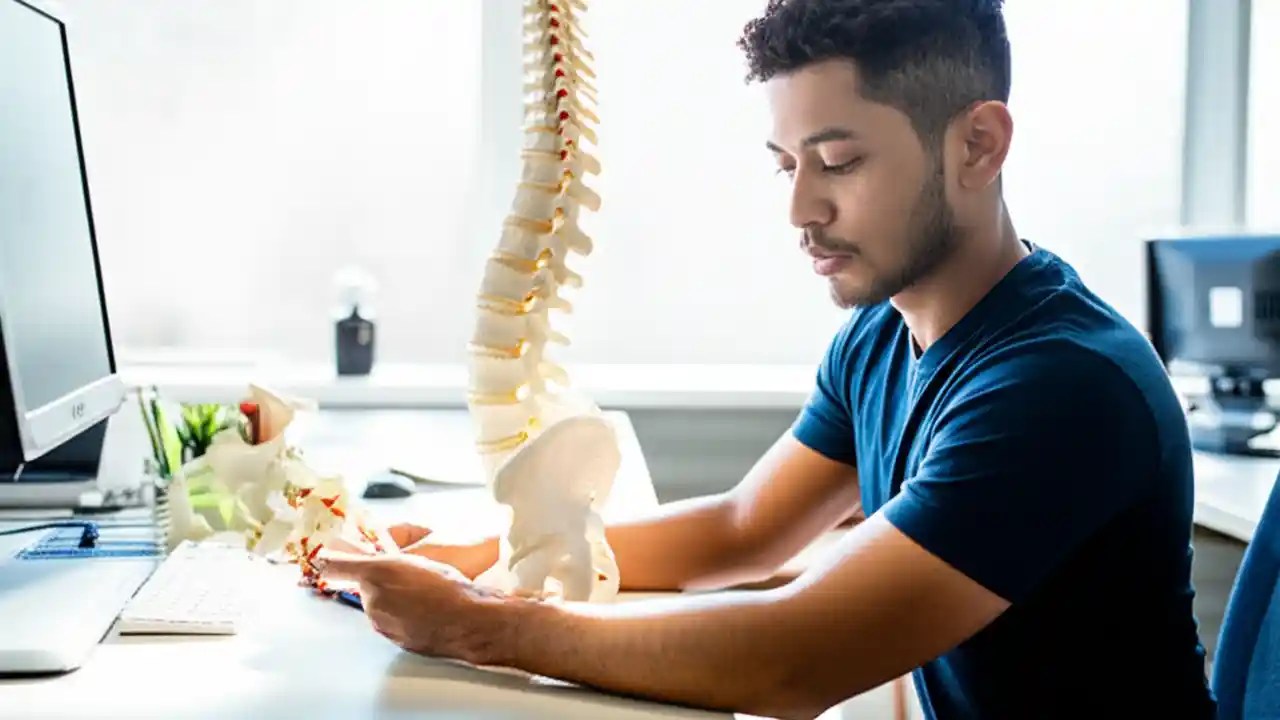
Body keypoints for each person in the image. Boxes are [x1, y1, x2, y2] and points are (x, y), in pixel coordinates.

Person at [317, 1, 1218, 717]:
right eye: (784, 163)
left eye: (838, 162)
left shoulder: (1060, 387)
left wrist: (485, 627)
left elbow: (793, 663)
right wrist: (479, 553)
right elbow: (744, 529)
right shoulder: (881, 331)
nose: (799, 210)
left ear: (977, 144)